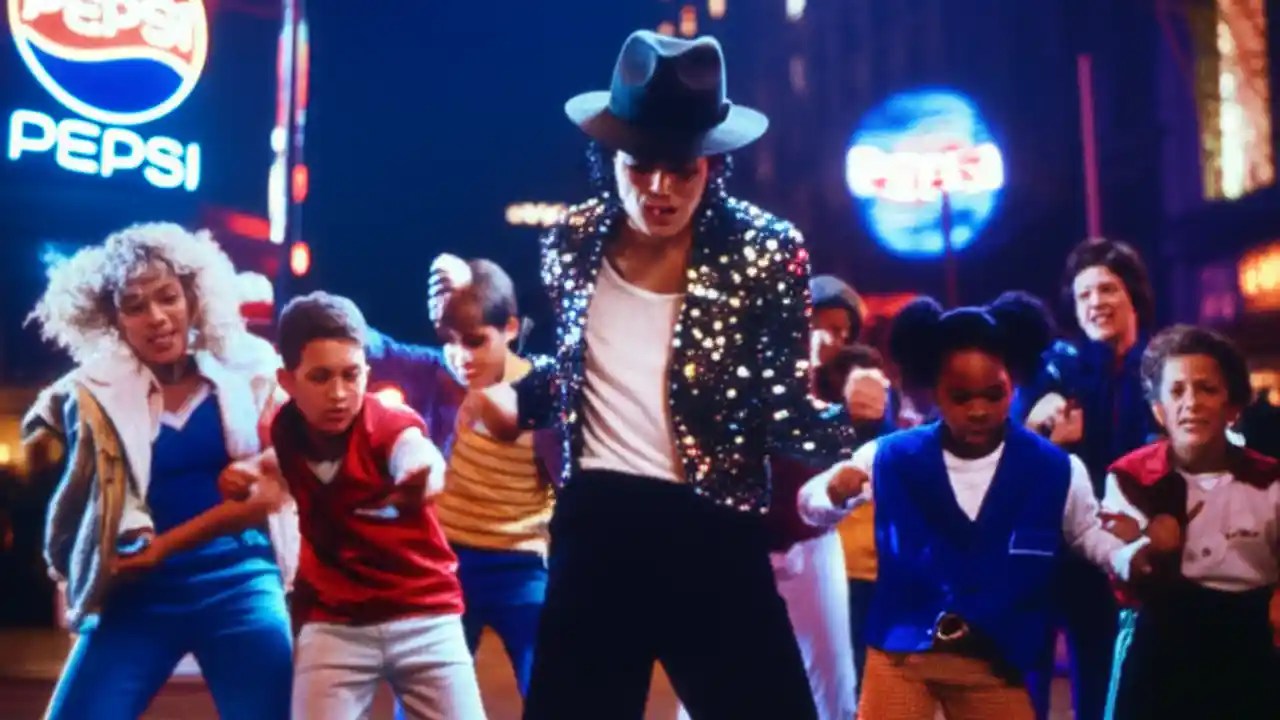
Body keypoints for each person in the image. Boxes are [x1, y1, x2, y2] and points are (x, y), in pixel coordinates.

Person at [466, 30, 883, 719]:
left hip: (714, 528)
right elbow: (580, 367)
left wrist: (854, 418)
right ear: (612, 156)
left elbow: (781, 406)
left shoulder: (766, 250)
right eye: (640, 166)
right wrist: (517, 397)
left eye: (681, 167)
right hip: (597, 524)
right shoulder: (571, 240)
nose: (659, 188)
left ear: (710, 165)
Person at [799, 294, 1135, 720]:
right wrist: (832, 492)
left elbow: (1086, 532)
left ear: (1013, 382)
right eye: (961, 397)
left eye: (992, 395)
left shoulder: (1055, 469)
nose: (978, 410)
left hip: (994, 656)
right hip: (901, 655)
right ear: (934, 391)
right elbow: (810, 506)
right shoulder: (890, 456)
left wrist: (1128, 556)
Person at [26, 223, 296, 720]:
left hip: (239, 581)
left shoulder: (250, 370)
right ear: (113, 319)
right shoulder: (94, 394)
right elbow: (86, 505)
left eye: (168, 297)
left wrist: (165, 548)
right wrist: (76, 575)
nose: (157, 317)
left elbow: (269, 492)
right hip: (137, 595)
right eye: (134, 305)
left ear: (193, 297)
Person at [237, 291, 486, 719]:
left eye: (351, 375)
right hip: (335, 622)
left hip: (423, 614)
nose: (339, 393)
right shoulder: (285, 429)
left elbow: (416, 451)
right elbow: (288, 460)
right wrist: (253, 469)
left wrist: (421, 479)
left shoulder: (385, 422)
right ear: (287, 381)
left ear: (367, 374)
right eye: (320, 377)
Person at [1100, 325, 1280, 719]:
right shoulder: (1131, 476)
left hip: (1249, 636)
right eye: (1177, 391)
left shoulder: (1271, 481)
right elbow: (1117, 559)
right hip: (1161, 634)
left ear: (1233, 407)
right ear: (1158, 408)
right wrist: (1148, 545)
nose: (1192, 402)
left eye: (1207, 389)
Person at [1017, 237, 1160, 720]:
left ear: (1133, 296)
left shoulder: (1161, 369)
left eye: (1107, 289)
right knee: (1050, 676)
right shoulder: (1055, 369)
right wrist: (1037, 426)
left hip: (1145, 546)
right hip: (1067, 551)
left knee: (1128, 680)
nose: (1096, 302)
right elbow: (1010, 449)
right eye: (1084, 295)